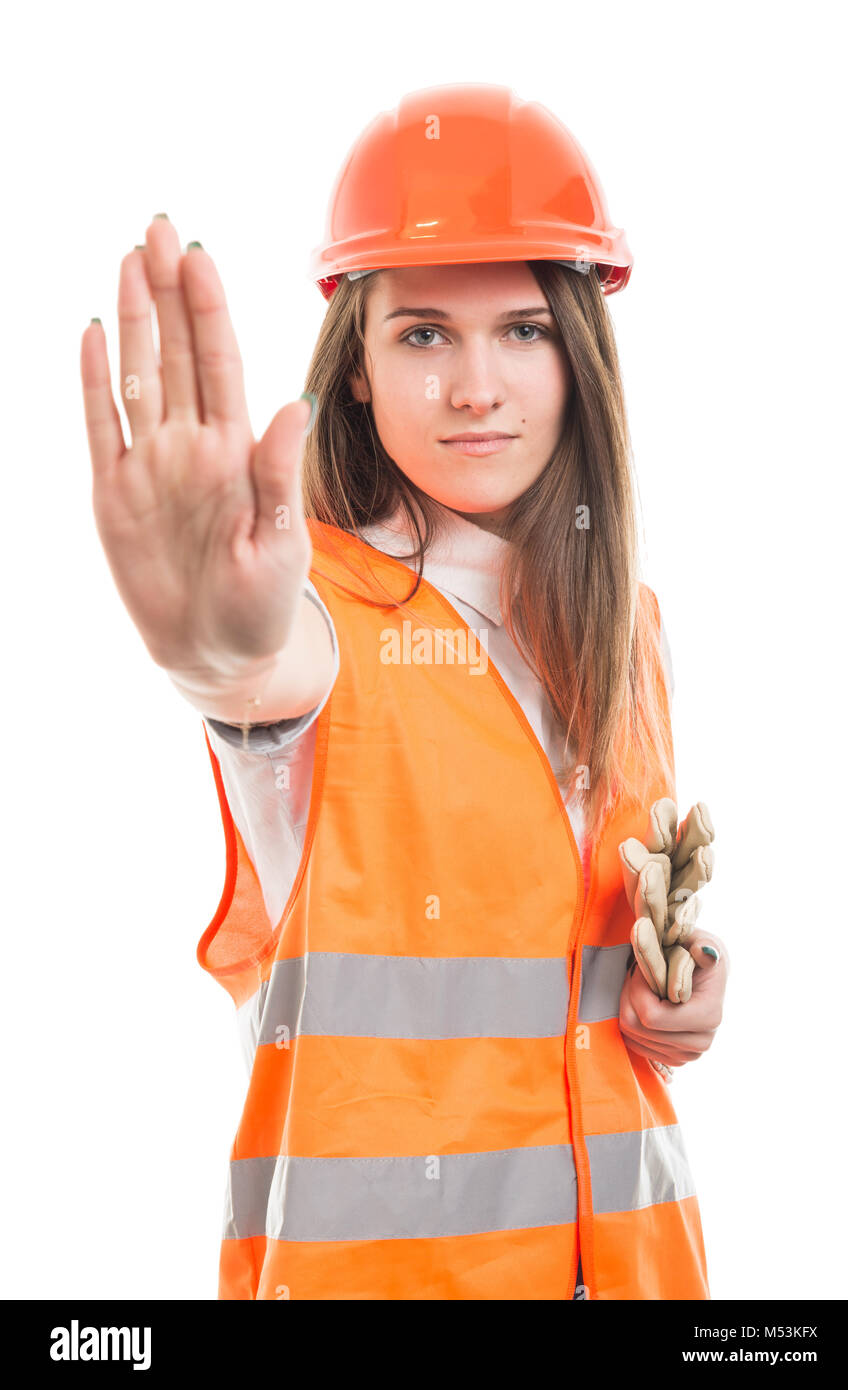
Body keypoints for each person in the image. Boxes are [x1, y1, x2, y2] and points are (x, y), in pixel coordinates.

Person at [80, 83, 729, 1301]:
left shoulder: (628, 632)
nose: (478, 385)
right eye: (424, 333)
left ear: (581, 352)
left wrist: (675, 995)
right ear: (361, 370)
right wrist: (207, 644)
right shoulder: (318, 611)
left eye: (524, 330)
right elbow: (259, 677)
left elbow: (570, 959)